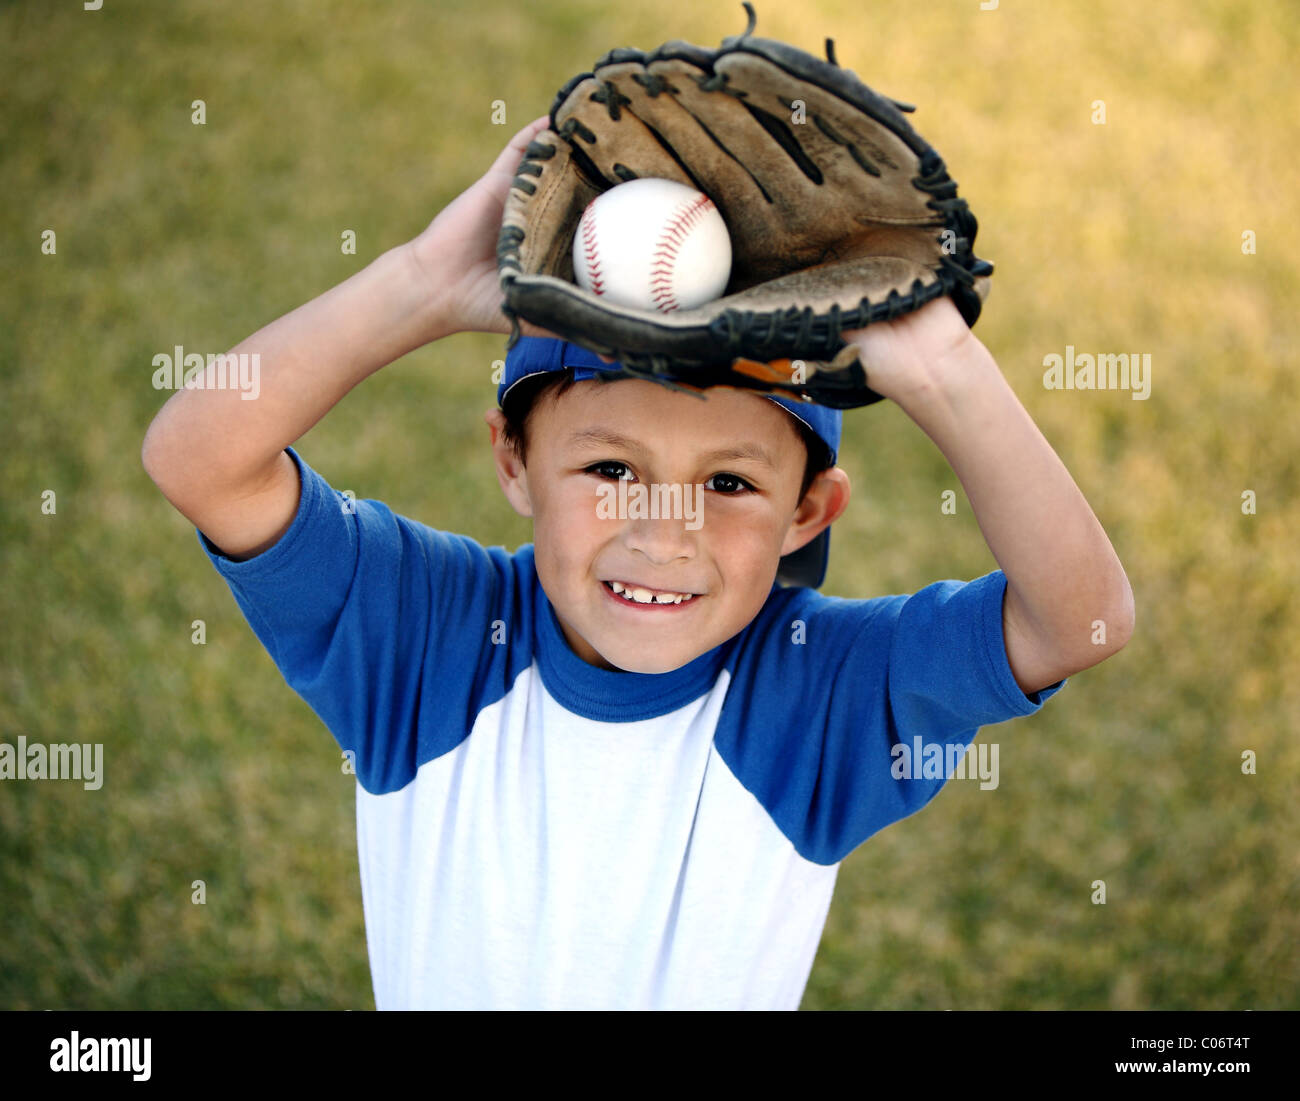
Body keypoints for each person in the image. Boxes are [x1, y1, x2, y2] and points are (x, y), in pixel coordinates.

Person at [141, 116, 1134, 1009]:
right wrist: (419, 287)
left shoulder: (811, 701)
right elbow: (198, 461)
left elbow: (1080, 622)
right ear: (513, 460)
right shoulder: (430, 637)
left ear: (809, 511)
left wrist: (944, 370)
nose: (665, 532)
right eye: (611, 466)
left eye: (729, 485)